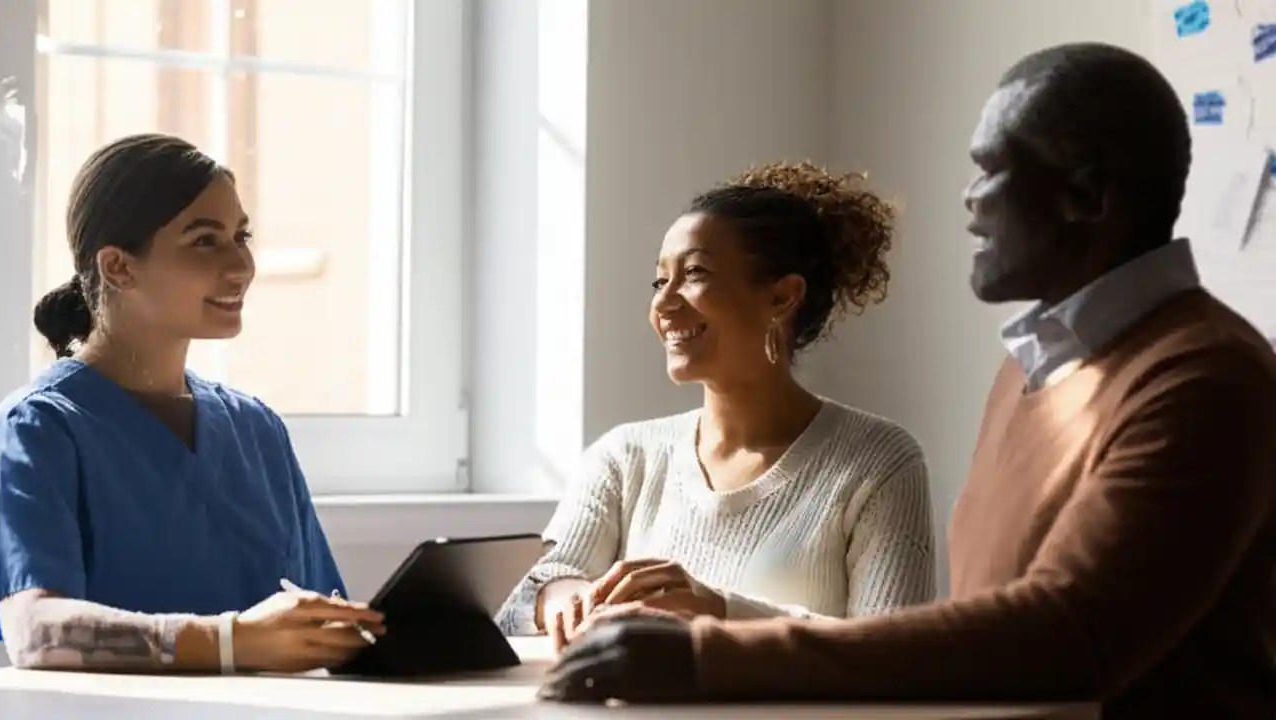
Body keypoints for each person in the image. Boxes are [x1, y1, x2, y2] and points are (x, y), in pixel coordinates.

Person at [537, 43, 1276, 719]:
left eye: (994, 169)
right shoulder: (1032, 367)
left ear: (1086, 198)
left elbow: (1071, 633)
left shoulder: (1204, 375)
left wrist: (706, 649)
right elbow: (983, 628)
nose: (968, 197)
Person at [497, 161, 936, 648]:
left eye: (693, 273)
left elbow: (898, 649)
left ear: (782, 297)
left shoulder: (880, 461)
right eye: (658, 281)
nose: (663, 305)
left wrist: (718, 610)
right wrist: (566, 597)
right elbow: (521, 600)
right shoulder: (624, 457)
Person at [0, 134, 385, 672]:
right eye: (205, 241)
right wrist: (231, 641)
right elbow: (35, 635)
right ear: (119, 268)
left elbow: (322, 620)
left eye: (240, 236)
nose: (241, 265)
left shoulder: (257, 430)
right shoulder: (39, 428)